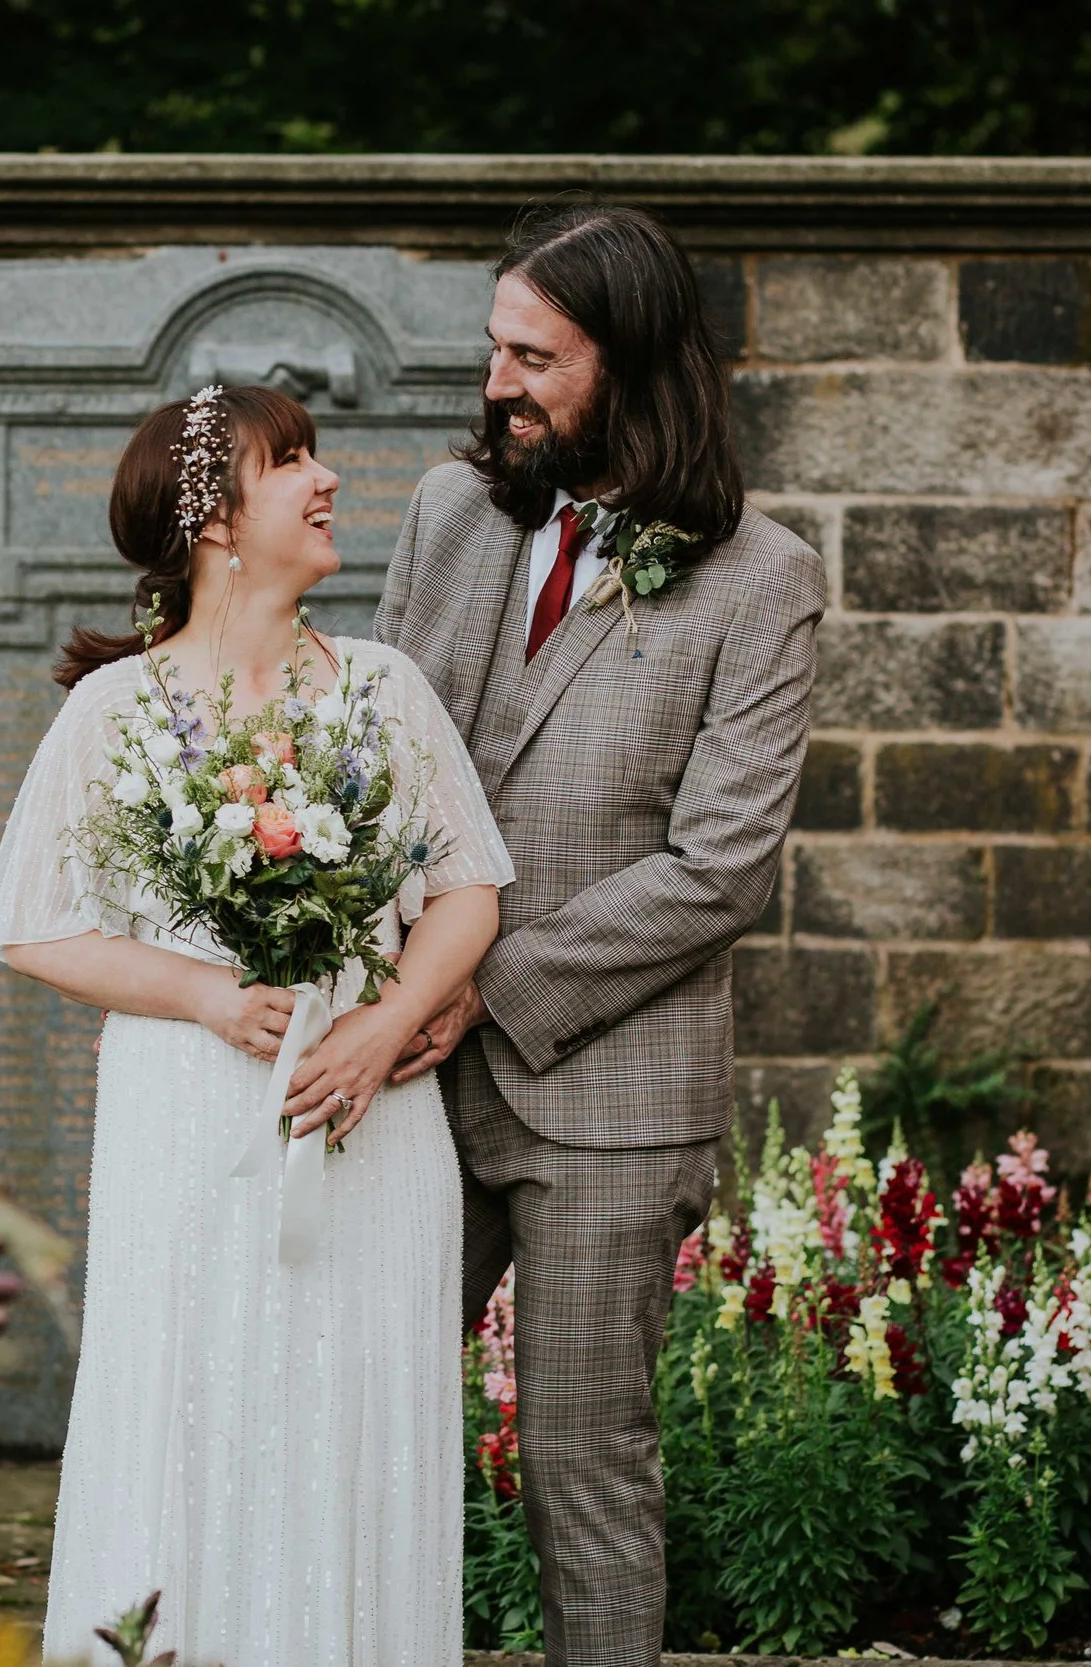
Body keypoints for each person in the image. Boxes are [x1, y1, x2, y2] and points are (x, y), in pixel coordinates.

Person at [0, 383, 514, 1666]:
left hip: (369, 1120)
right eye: (294, 464)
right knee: (184, 1409)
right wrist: (207, 992)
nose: (327, 482)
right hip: (187, 1119)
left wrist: (382, 1023)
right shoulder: (111, 711)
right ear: (214, 515)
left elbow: (469, 890)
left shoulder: (384, 688)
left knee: (358, 1423)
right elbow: (27, 921)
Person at [377, 201, 825, 1666]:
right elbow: (369, 765)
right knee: (355, 1419)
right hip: (406, 1076)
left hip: (609, 1099)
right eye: (495, 346)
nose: (499, 382)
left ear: (632, 366)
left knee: (583, 1467)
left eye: (534, 355)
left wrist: (479, 981)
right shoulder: (451, 513)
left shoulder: (762, 579)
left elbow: (721, 868)